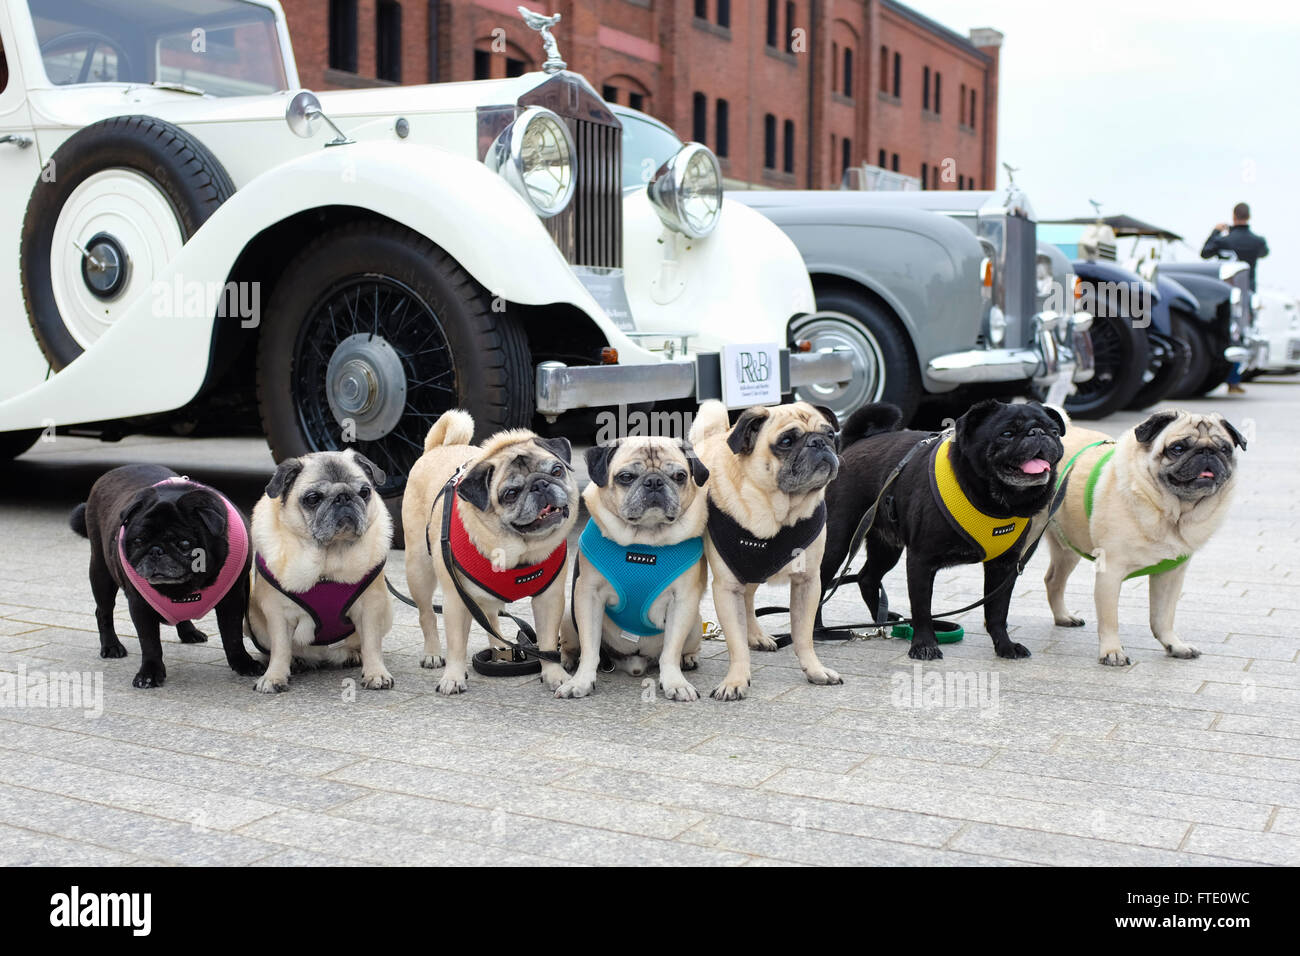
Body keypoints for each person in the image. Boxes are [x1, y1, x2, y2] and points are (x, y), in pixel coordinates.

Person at [1201, 203, 1269, 394]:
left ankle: (1219, 377)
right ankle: (1233, 381)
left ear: (1233, 215)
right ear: (1249, 216)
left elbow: (1205, 252)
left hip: (1226, 294)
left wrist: (1216, 232)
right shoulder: (1257, 241)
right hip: (1248, 293)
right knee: (1242, 335)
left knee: (1225, 334)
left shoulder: (1225, 240)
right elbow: (1264, 253)